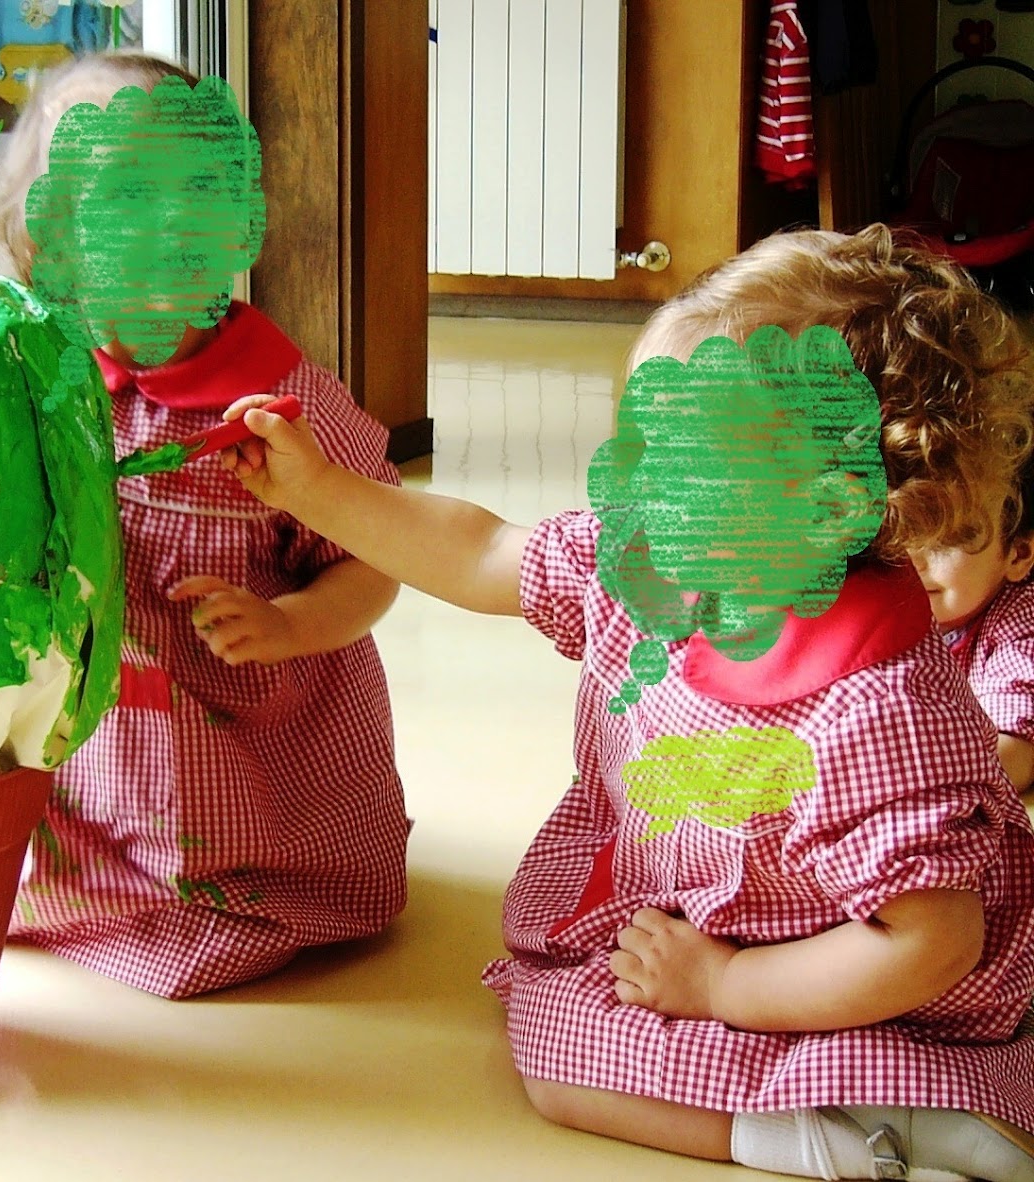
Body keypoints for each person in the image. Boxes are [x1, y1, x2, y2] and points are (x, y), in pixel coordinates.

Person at [221, 225, 1034, 1180]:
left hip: (865, 977)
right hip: (717, 917)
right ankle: (890, 1115)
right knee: (561, 1021)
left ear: (823, 509)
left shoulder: (877, 711)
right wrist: (319, 492)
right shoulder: (650, 567)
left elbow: (933, 941)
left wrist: (729, 985)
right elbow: (480, 550)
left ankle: (842, 1139)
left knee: (566, 1071)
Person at [0, 53, 410, 1000]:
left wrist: (292, 625)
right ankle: (98, 883)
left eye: (194, 191)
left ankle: (230, 891)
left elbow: (379, 557)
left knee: (236, 898)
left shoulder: (283, 404)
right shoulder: (31, 372)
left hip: (250, 759)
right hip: (96, 746)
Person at [911, 460, 1034, 793]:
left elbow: (1018, 753)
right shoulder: (887, 601)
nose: (914, 558)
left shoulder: (1019, 621)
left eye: (947, 538)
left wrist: (914, 782)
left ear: (1018, 554)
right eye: (903, 532)